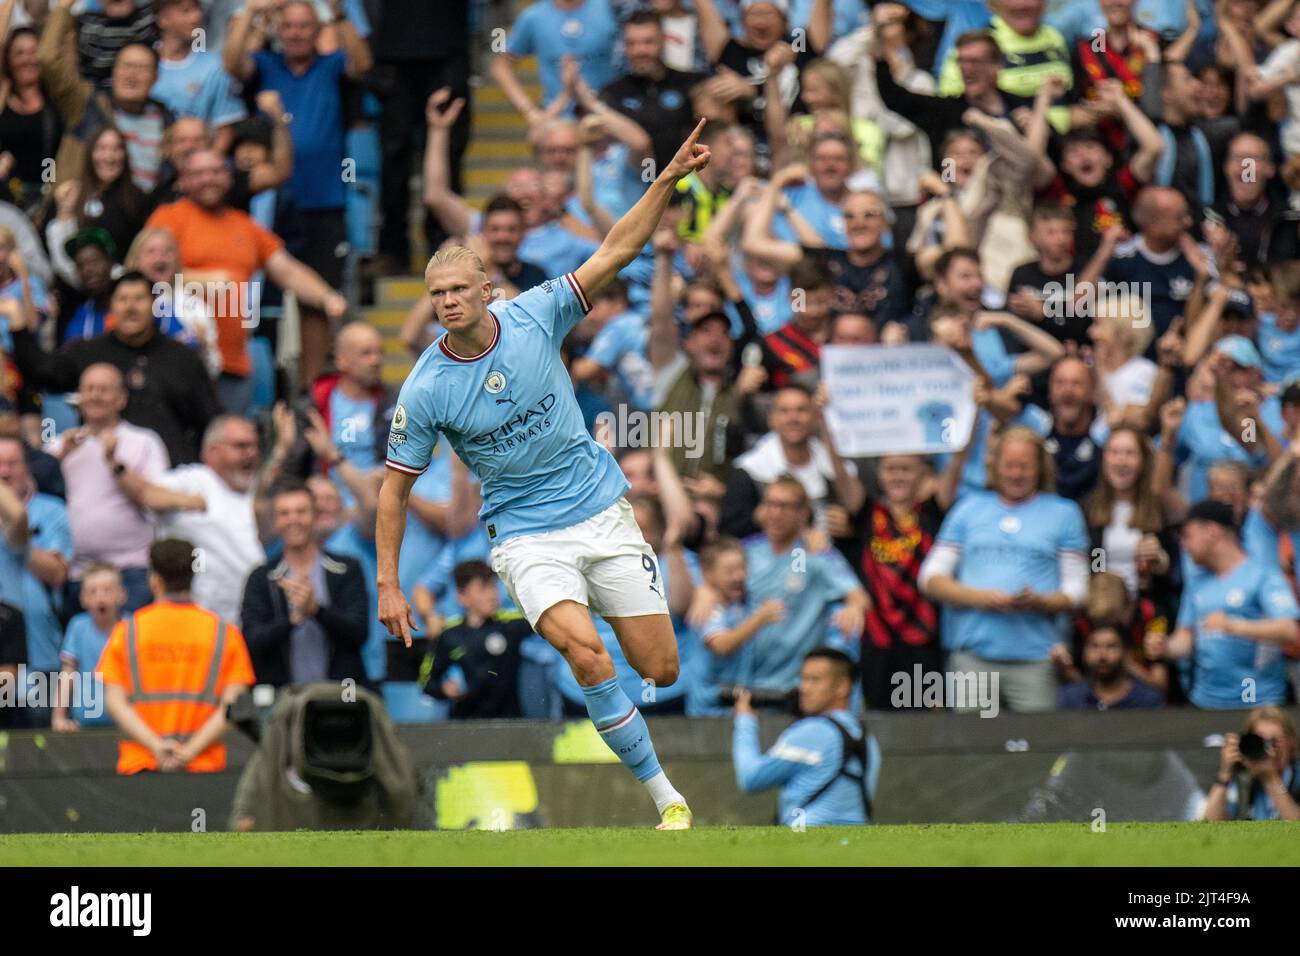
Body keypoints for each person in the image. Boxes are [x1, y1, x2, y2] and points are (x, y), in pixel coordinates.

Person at [377, 120, 716, 831]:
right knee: (585, 654)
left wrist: (664, 181)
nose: (446, 302)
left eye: (458, 289)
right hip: (527, 536)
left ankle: (615, 610)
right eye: (435, 293)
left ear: (487, 288)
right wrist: (388, 581)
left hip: (600, 510)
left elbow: (617, 249)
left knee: (660, 670)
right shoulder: (426, 388)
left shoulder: (537, 313)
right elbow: (395, 491)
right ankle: (667, 800)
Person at [146, 148, 348, 413]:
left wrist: (327, 296)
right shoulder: (168, 217)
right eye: (199, 173)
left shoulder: (245, 225)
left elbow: (287, 270)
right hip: (179, 360)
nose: (209, 179)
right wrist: (203, 278)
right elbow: (148, 270)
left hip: (235, 362)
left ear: (229, 178)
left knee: (233, 445)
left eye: (216, 171)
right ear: (183, 181)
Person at [920, 426, 1090, 713]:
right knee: (973, 751)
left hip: (1038, 659)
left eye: (1024, 466)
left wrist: (1040, 602)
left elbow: (1079, 590)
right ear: (995, 466)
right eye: (1009, 465)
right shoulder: (967, 509)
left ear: (1040, 468)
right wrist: (981, 598)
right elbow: (930, 578)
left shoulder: (1065, 513)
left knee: (1038, 751)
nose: (1016, 474)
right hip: (973, 657)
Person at [7, 271, 219, 465]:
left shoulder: (182, 358)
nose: (130, 307)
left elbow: (211, 420)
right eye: (123, 299)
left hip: (172, 472)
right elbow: (40, 371)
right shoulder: (88, 351)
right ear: (111, 306)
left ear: (155, 305)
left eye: (139, 299)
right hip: (102, 470)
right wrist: (17, 325)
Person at [98, 537, 255, 774]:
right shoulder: (225, 634)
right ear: (193, 576)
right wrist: (189, 752)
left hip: (142, 763)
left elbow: (114, 702)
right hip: (203, 767)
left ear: (155, 580)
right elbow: (233, 707)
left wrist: (157, 746)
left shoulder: (128, 632)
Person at [105, 413, 279, 625]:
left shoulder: (254, 491)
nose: (251, 453)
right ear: (213, 450)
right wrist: (186, 500)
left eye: (254, 446)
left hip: (248, 615)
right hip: (199, 617)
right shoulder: (194, 479)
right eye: (241, 446)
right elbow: (147, 496)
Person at [1146, 499, 1300, 709]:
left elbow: (1289, 629)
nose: (1184, 545)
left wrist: (1233, 625)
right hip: (1204, 702)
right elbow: (1187, 637)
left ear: (1211, 531)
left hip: (1258, 703)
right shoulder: (1198, 582)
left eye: (1188, 536)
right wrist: (1166, 647)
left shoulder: (1262, 575)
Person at [46, 363, 168, 612]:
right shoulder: (60, 445)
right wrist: (59, 458)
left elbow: (156, 502)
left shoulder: (145, 441)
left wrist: (115, 463)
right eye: (89, 389)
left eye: (103, 389)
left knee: (129, 649)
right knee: (79, 648)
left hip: (132, 571)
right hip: (76, 573)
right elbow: (37, 502)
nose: (95, 396)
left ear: (121, 399)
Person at [239, 481, 369, 688]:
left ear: (315, 517)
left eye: (301, 512)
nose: (293, 520)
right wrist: (291, 621)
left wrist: (316, 610)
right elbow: (252, 641)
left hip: (338, 698)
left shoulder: (346, 569)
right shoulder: (262, 577)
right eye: (284, 513)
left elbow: (359, 633)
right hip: (282, 701)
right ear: (274, 522)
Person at [732, 647, 880, 826]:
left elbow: (751, 778)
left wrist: (745, 720)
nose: (804, 688)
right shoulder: (867, 737)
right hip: (857, 842)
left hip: (807, 839)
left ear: (843, 686)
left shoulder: (812, 730)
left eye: (814, 680)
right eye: (803, 679)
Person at [422, 560, 532, 718]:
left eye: (493, 586)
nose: (492, 594)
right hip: (464, 725)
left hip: (509, 723)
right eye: (483, 588)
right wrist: (445, 689)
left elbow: (546, 618)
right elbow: (426, 682)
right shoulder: (449, 635)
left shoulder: (510, 625)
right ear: (462, 596)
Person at [52, 560, 125, 731]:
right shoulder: (78, 626)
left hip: (125, 721)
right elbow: (67, 673)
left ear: (122, 594)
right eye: (92, 592)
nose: (100, 597)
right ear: (82, 598)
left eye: (107, 590)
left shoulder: (131, 627)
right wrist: (59, 717)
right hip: (84, 721)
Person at [1202, 706, 1300, 821]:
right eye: (1261, 743)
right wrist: (1225, 774)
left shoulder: (1297, 776)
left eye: (1275, 742)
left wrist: (1271, 780)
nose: (1270, 752)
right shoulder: (1241, 777)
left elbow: (1296, 828)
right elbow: (1209, 823)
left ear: (1292, 741)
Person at [1057, 625, 1164, 710]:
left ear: (1126, 653)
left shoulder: (1147, 700)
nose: (1102, 655)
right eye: (1095, 646)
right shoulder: (1071, 698)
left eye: (1111, 646)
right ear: (1084, 653)